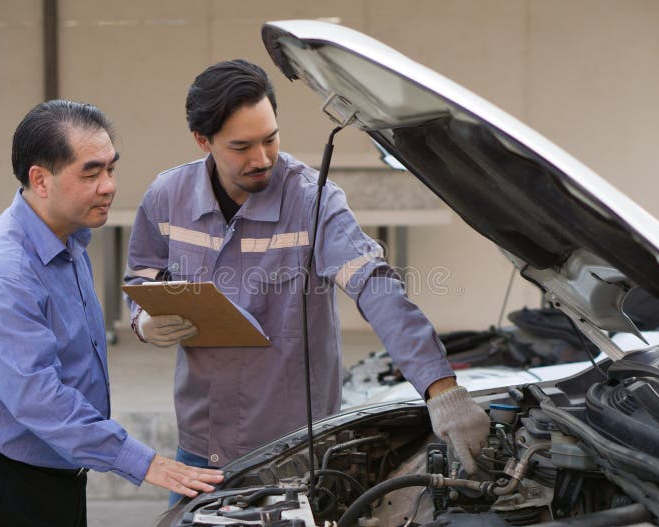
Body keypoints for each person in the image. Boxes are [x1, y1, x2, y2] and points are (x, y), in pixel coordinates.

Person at [125, 60, 490, 498]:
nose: (262, 159)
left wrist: (441, 389)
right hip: (199, 448)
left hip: (293, 450)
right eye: (241, 146)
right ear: (203, 140)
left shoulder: (312, 201)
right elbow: (141, 276)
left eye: (270, 138)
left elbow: (374, 286)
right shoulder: (167, 197)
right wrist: (144, 321)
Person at [0, 100, 223, 527]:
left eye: (111, 169)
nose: (108, 186)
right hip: (3, 481)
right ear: (40, 179)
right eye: (91, 174)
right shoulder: (3, 272)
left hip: (58, 470)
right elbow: (39, 397)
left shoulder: (70, 242)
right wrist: (144, 462)